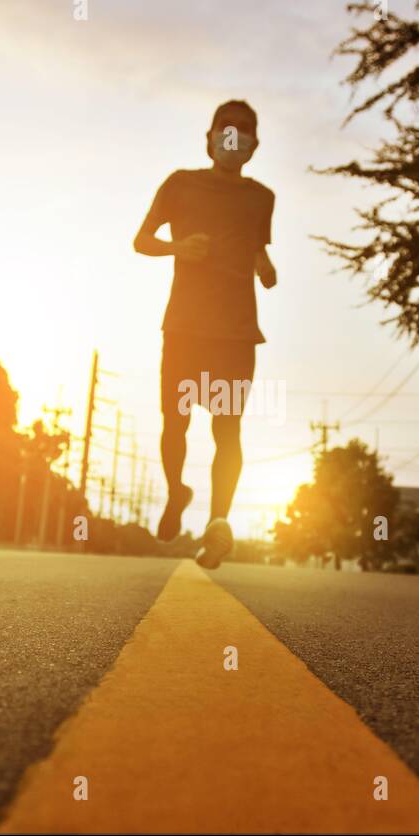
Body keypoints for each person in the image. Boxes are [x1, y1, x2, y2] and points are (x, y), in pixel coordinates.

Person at [132, 99, 277, 569]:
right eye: (227, 129)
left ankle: (218, 524)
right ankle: (177, 493)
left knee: (227, 429)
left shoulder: (262, 198)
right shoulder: (180, 184)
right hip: (184, 328)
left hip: (236, 334)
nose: (235, 137)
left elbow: (256, 249)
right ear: (210, 136)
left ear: (255, 145)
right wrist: (178, 247)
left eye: (245, 131)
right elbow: (142, 240)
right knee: (175, 423)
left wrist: (266, 266)